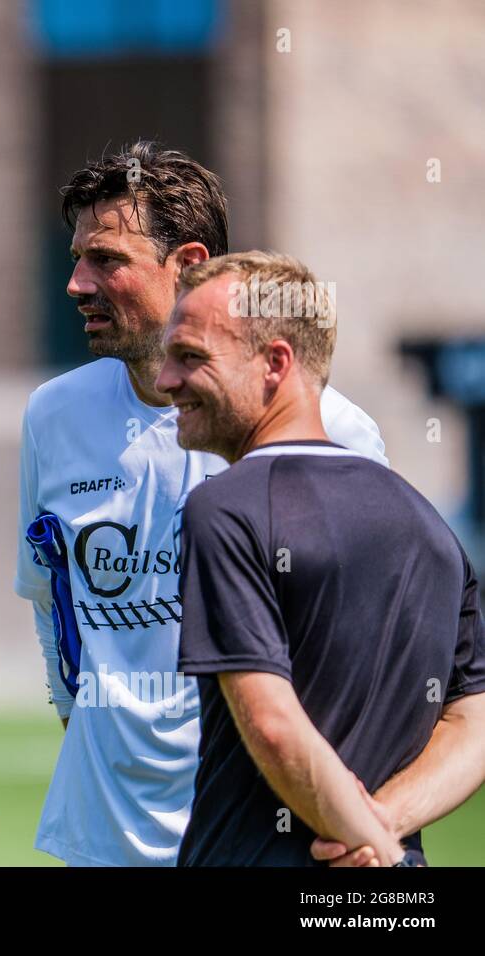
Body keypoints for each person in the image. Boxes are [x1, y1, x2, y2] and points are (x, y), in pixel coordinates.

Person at [15, 142, 387, 866]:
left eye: (107, 260)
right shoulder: (52, 416)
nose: (76, 284)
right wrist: (80, 725)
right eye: (75, 257)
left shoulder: (333, 433)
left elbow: (362, 657)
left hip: (259, 840)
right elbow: (49, 602)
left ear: (188, 264)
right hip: (103, 841)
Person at [164, 251, 485, 865]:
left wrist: (369, 841)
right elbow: (473, 723)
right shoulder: (428, 523)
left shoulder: (226, 509)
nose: (166, 380)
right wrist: (381, 828)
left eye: (192, 357)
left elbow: (275, 724)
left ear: (275, 363)